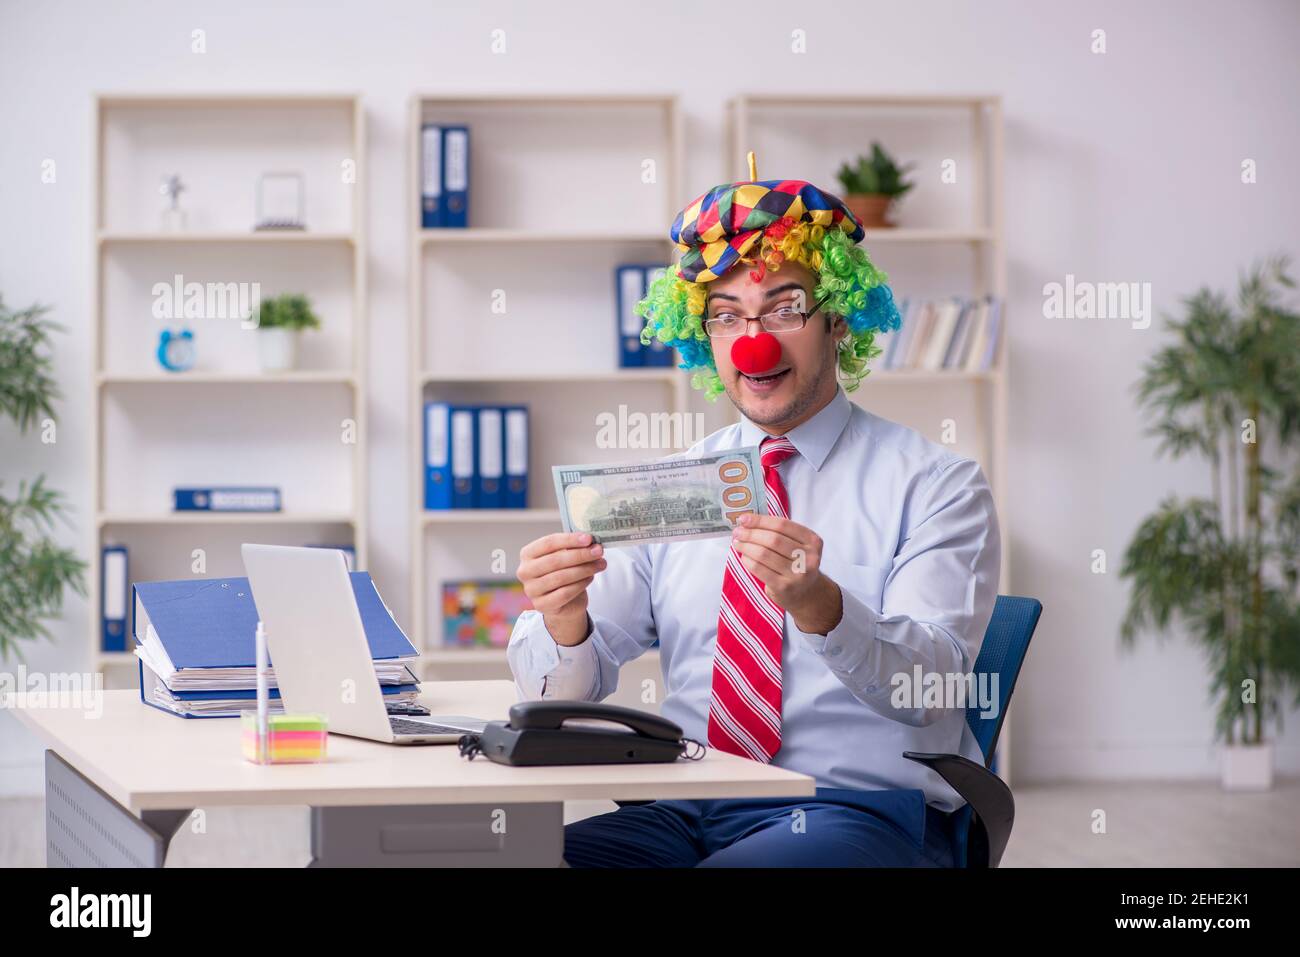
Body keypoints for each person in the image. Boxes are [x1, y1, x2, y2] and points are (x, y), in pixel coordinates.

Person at [506, 161, 1001, 867]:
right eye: (728, 315)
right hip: (682, 807)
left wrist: (826, 608)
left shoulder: (938, 486)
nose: (753, 341)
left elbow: (935, 687)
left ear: (837, 317)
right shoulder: (671, 488)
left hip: (855, 811)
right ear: (701, 334)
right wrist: (564, 621)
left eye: (784, 309)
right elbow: (565, 692)